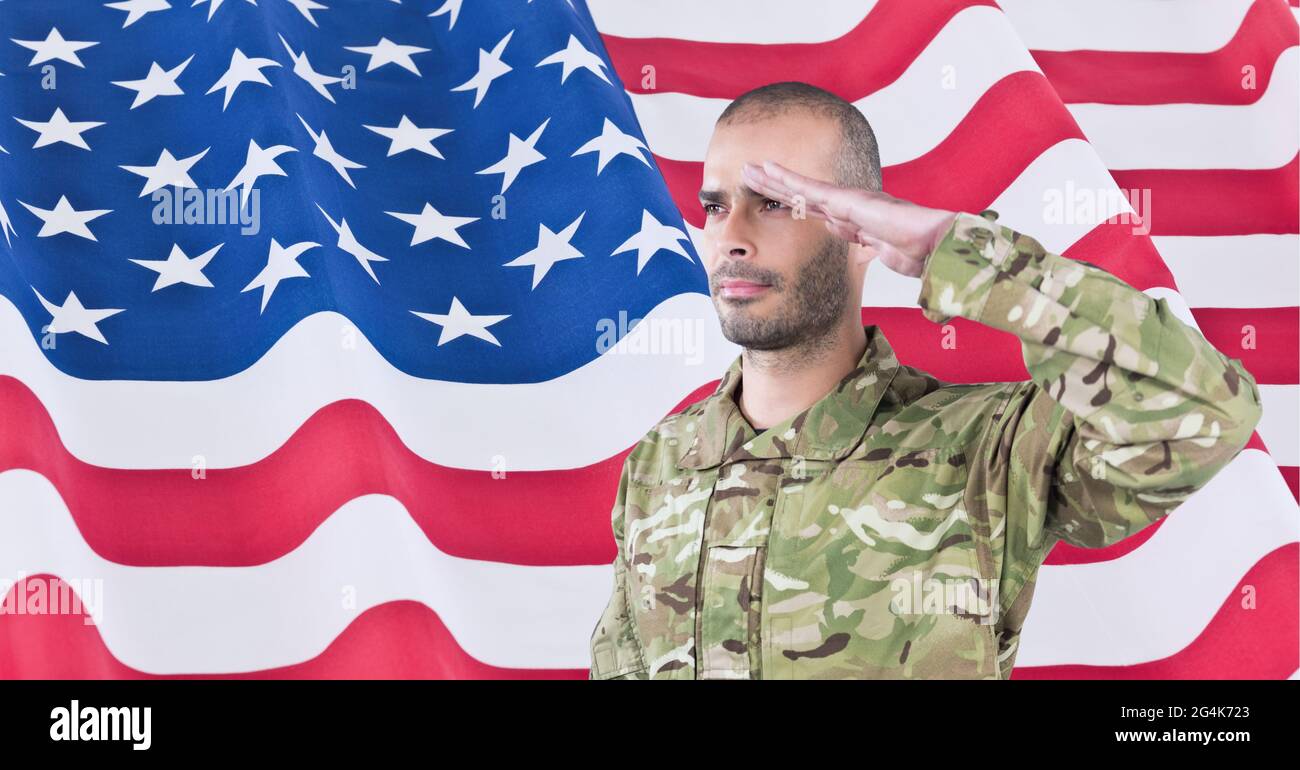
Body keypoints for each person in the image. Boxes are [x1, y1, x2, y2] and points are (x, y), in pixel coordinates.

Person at [587, 81, 1262, 680]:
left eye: (773, 203)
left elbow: (1203, 410)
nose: (728, 236)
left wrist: (952, 249)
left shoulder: (987, 451)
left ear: (858, 228)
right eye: (713, 205)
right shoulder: (661, 461)